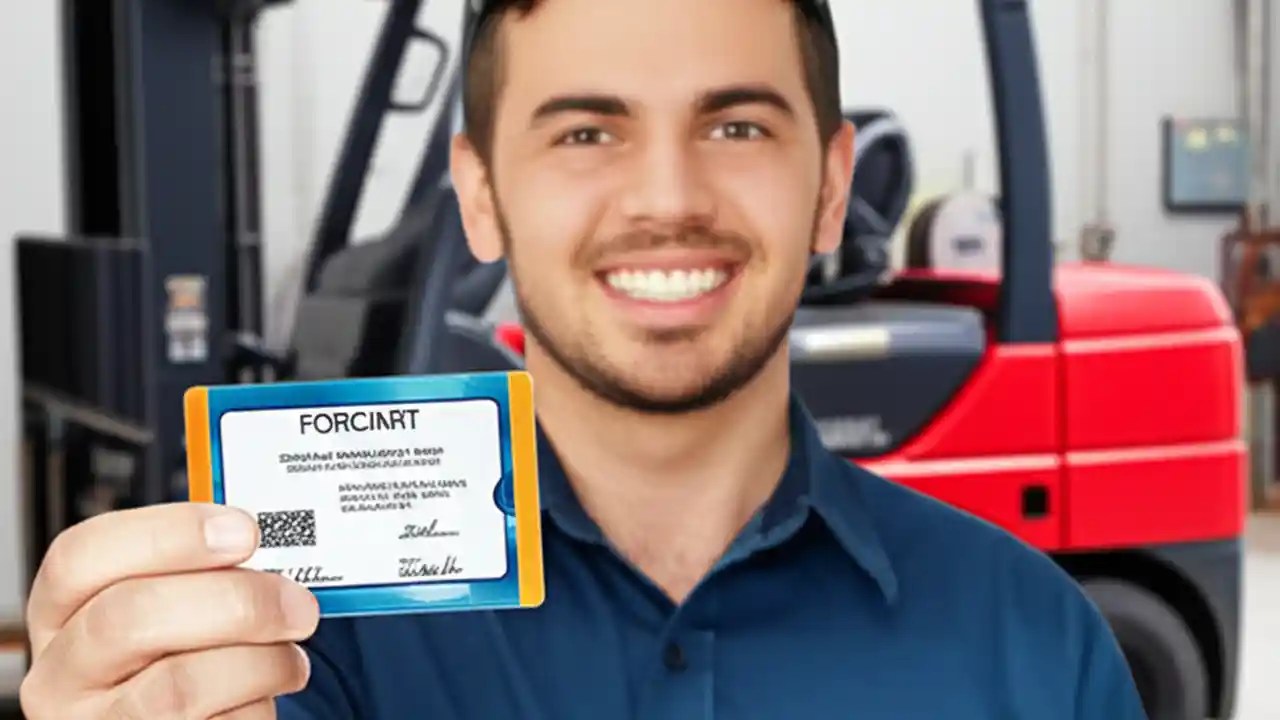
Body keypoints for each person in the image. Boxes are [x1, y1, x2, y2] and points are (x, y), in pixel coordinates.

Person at [19, 0, 1149, 717]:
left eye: (737, 125)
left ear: (831, 185)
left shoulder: (1034, 647)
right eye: (585, 132)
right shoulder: (310, 641)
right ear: (476, 194)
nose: (665, 198)